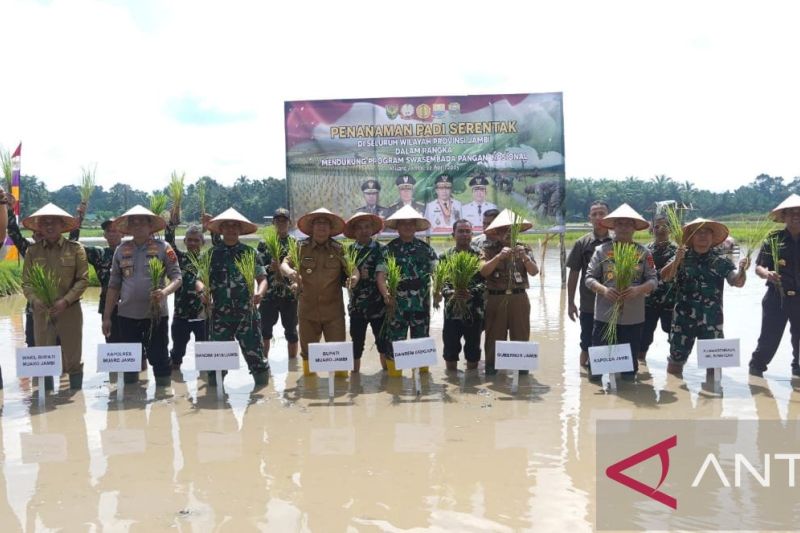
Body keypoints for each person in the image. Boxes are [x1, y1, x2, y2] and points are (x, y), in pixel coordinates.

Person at [104, 205, 182, 386]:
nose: (138, 225)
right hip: (127, 316)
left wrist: (164, 292)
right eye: (133, 222)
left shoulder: (164, 248)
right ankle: (131, 398)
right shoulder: (121, 250)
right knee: (130, 361)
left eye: (142, 222)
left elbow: (177, 278)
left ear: (150, 226)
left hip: (155, 315)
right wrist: (107, 317)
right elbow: (114, 286)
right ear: (128, 228)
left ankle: (162, 398)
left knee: (160, 357)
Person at [662, 218, 747, 376]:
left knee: (714, 366)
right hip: (683, 320)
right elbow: (665, 277)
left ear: (712, 237)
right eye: (698, 233)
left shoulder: (720, 260)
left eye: (707, 232)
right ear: (691, 237)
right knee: (675, 362)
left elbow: (737, 282)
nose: (703, 236)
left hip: (712, 320)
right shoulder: (681, 256)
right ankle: (673, 387)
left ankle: (713, 397)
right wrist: (676, 261)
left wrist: (742, 270)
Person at [281, 208, 358, 377]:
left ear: (330, 229)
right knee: (308, 354)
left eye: (325, 224)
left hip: (333, 313)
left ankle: (340, 392)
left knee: (338, 353)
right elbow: (284, 264)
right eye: (318, 224)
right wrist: (290, 273)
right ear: (312, 227)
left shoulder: (339, 249)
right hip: (307, 311)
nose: (322, 227)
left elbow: (354, 270)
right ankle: (310, 389)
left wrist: (354, 278)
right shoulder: (300, 247)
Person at [585, 204, 656, 381]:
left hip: (633, 317)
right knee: (596, 371)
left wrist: (639, 289)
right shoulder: (601, 251)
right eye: (620, 224)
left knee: (628, 373)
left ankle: (627, 402)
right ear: (613, 227)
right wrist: (603, 290)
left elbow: (654, 280)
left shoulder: (644, 253)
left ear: (634, 228)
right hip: (604, 316)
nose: (624, 228)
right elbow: (589, 278)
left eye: (628, 224)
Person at [21, 203, 89, 389]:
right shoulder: (32, 252)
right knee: (43, 359)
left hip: (70, 310)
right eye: (45, 223)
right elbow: (26, 283)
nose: (49, 226)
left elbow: (83, 280)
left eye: (54, 222)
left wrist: (65, 301)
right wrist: (35, 300)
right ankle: (45, 401)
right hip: (42, 312)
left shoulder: (75, 249)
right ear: (39, 227)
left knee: (73, 357)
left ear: (62, 225)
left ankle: (75, 403)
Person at [199, 208, 270, 386]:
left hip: (247, 316)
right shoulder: (211, 254)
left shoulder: (250, 253)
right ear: (221, 230)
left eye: (235, 226)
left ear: (239, 230)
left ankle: (262, 401)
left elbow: (262, 279)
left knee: (258, 362)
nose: (231, 230)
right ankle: (215, 401)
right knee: (216, 364)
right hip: (220, 317)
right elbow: (199, 280)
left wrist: (259, 293)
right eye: (227, 226)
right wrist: (202, 292)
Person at [480, 209, 538, 375]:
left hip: (519, 297)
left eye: (511, 229)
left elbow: (534, 272)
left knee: (521, 335)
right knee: (494, 338)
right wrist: (498, 257)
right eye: (504, 230)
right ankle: (491, 371)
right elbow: (483, 271)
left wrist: (524, 258)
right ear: (497, 232)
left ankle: (522, 373)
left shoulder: (525, 248)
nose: (507, 234)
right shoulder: (488, 248)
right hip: (495, 298)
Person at [383, 205, 438, 376]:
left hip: (420, 304)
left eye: (411, 223)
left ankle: (422, 378)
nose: (407, 227)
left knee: (421, 340)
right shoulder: (388, 250)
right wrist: (386, 295)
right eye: (403, 224)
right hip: (396, 305)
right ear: (397, 227)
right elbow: (381, 275)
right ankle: (395, 379)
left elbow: (437, 273)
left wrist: (438, 292)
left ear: (415, 227)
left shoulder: (426, 249)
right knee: (395, 340)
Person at [749, 194, 800, 378]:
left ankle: (797, 375)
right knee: (768, 340)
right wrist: (767, 274)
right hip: (777, 297)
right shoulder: (774, 238)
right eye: (791, 213)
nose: (796, 216)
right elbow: (759, 266)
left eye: (799, 213)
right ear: (784, 217)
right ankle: (755, 373)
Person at [566, 201, 611, 367]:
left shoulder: (618, 242)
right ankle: (584, 382)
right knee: (586, 342)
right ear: (589, 218)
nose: (599, 217)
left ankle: (612, 377)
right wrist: (570, 303)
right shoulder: (582, 243)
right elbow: (574, 274)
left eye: (602, 213)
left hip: (612, 303)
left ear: (609, 217)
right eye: (595, 214)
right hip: (588, 303)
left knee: (612, 342)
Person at [343, 212, 389, 373]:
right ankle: (355, 378)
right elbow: (344, 276)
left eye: (367, 227)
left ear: (372, 229)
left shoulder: (381, 249)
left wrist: (369, 277)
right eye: (360, 228)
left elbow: (381, 274)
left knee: (382, 343)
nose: (364, 231)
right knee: (356, 343)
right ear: (354, 231)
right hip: (357, 307)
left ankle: (387, 376)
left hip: (379, 306)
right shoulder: (348, 251)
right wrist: (351, 280)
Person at [438, 219, 485, 371]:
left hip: (474, 311)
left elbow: (485, 282)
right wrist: (451, 292)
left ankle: (471, 383)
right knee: (450, 351)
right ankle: (451, 381)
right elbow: (441, 281)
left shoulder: (479, 256)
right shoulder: (445, 256)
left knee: (473, 351)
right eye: (461, 231)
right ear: (453, 234)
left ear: (472, 234)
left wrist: (471, 292)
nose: (464, 234)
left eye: (467, 231)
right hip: (451, 312)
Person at [73, 203, 123, 342]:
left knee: (137, 350)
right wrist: (79, 219)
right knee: (112, 348)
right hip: (109, 308)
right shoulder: (99, 254)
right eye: (109, 231)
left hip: (131, 306)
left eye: (115, 230)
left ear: (123, 232)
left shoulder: (132, 251)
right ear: (104, 235)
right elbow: (73, 246)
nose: (112, 234)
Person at [165, 208, 206, 370]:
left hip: (202, 316)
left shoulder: (208, 259)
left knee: (205, 355)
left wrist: (210, 226)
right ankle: (175, 385)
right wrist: (172, 223)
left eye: (196, 240)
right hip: (181, 315)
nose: (193, 243)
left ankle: (206, 389)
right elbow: (169, 240)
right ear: (185, 241)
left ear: (202, 242)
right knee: (177, 354)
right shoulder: (178, 258)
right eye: (190, 240)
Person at [256, 208, 299, 360]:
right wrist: (270, 267)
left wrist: (295, 283)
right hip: (269, 295)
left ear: (289, 223)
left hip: (289, 295)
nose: (281, 223)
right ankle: (264, 363)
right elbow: (258, 268)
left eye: (284, 220)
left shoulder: (294, 244)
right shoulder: (264, 243)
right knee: (265, 331)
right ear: (273, 222)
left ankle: (292, 364)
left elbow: (298, 268)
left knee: (292, 332)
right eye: (278, 220)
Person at [638, 212, 677, 361]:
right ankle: (640, 364)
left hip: (671, 302)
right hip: (648, 303)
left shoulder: (678, 251)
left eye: (665, 225)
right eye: (657, 226)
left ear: (671, 229)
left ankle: (674, 372)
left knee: (674, 338)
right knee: (643, 339)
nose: (661, 229)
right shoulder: (643, 251)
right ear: (651, 230)